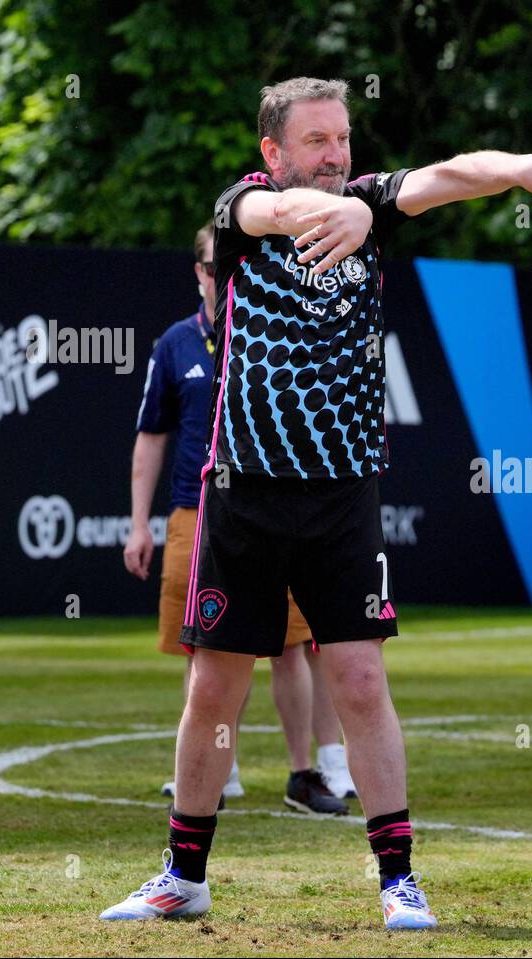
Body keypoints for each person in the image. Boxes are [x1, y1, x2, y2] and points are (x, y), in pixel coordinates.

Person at [101, 76, 532, 929]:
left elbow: (452, 174)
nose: (337, 155)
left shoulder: (368, 200)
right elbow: (268, 217)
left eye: (343, 139)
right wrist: (347, 213)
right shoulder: (242, 211)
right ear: (274, 153)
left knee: (361, 681)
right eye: (316, 142)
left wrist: (523, 168)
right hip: (241, 493)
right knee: (213, 688)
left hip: (341, 497)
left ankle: (397, 880)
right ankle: (182, 877)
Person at [124, 221, 351, 815]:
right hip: (197, 510)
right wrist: (137, 522)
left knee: (293, 647)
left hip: (272, 506)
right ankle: (215, 774)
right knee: (205, 647)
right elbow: (151, 437)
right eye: (213, 264)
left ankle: (305, 774)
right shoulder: (175, 343)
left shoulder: (272, 328)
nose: (221, 273)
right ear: (200, 272)